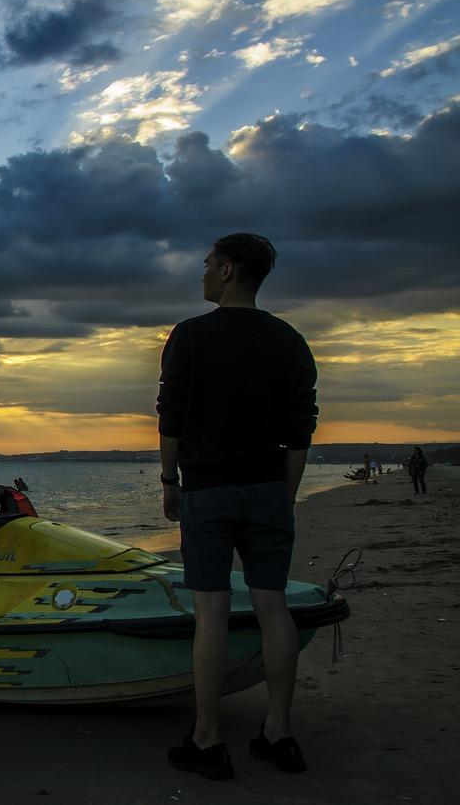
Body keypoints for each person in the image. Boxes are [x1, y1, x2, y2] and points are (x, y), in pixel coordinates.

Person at [156, 233, 318, 780]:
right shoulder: (289, 340)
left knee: (212, 611)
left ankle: (207, 738)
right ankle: (279, 731)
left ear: (227, 270)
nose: (201, 274)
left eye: (206, 265)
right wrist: (285, 495)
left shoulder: (191, 336)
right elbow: (301, 430)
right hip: (270, 487)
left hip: (209, 490)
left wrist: (168, 481)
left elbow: (171, 416)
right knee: (274, 607)